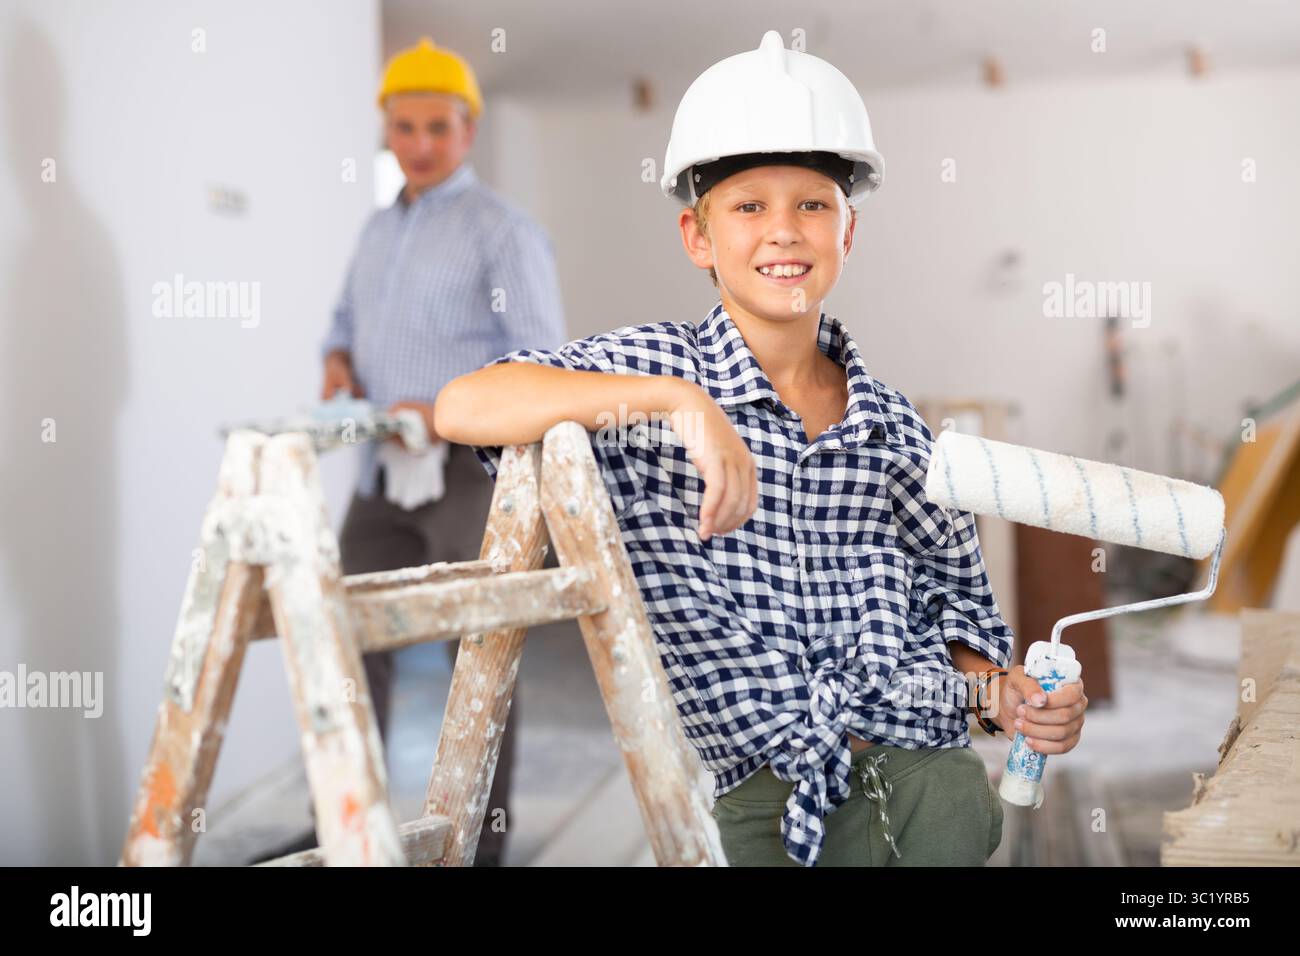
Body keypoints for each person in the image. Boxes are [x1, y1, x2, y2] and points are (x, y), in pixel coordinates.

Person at [434, 31, 1087, 867]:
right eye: (749, 206)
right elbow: (467, 403)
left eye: (813, 204)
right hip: (764, 802)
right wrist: (679, 405)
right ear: (698, 237)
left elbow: (957, 610)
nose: (785, 231)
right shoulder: (660, 374)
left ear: (848, 234)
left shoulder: (894, 429)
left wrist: (1010, 702)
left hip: (932, 787)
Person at [265, 37, 566, 866]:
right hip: (377, 483)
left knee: (481, 666)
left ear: (467, 132)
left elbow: (544, 362)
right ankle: (345, 824)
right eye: (405, 126)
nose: (421, 142)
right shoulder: (375, 229)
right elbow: (341, 331)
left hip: (469, 485)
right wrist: (335, 363)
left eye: (439, 126)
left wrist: (442, 412)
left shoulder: (504, 233)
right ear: (387, 131)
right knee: (345, 646)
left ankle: (479, 844)